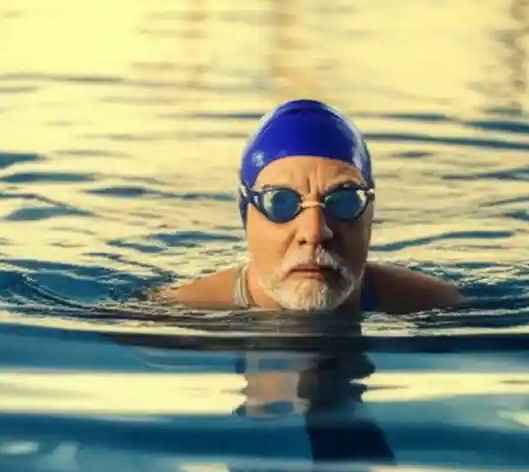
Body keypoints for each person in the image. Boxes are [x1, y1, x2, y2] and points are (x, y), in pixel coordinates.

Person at [164, 99, 463, 314]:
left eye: (344, 201)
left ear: (370, 215)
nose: (316, 231)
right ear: (246, 215)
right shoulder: (176, 316)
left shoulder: (437, 307)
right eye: (280, 202)